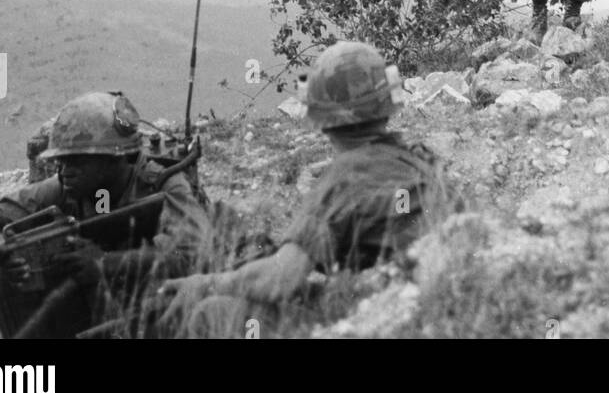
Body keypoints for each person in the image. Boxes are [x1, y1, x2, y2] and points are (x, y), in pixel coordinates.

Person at [157, 42, 452, 337]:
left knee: (213, 311)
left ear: (321, 116)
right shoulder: (418, 162)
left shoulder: (346, 177)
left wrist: (206, 284)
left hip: (385, 321)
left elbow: (281, 278)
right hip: (428, 313)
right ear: (387, 105)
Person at [0, 91, 209, 339]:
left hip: (161, 306)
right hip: (100, 302)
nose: (66, 171)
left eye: (77, 162)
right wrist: (3, 250)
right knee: (0, 277)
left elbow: (194, 255)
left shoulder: (165, 185)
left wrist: (106, 263)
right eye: (61, 162)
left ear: (115, 159)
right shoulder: (65, 188)